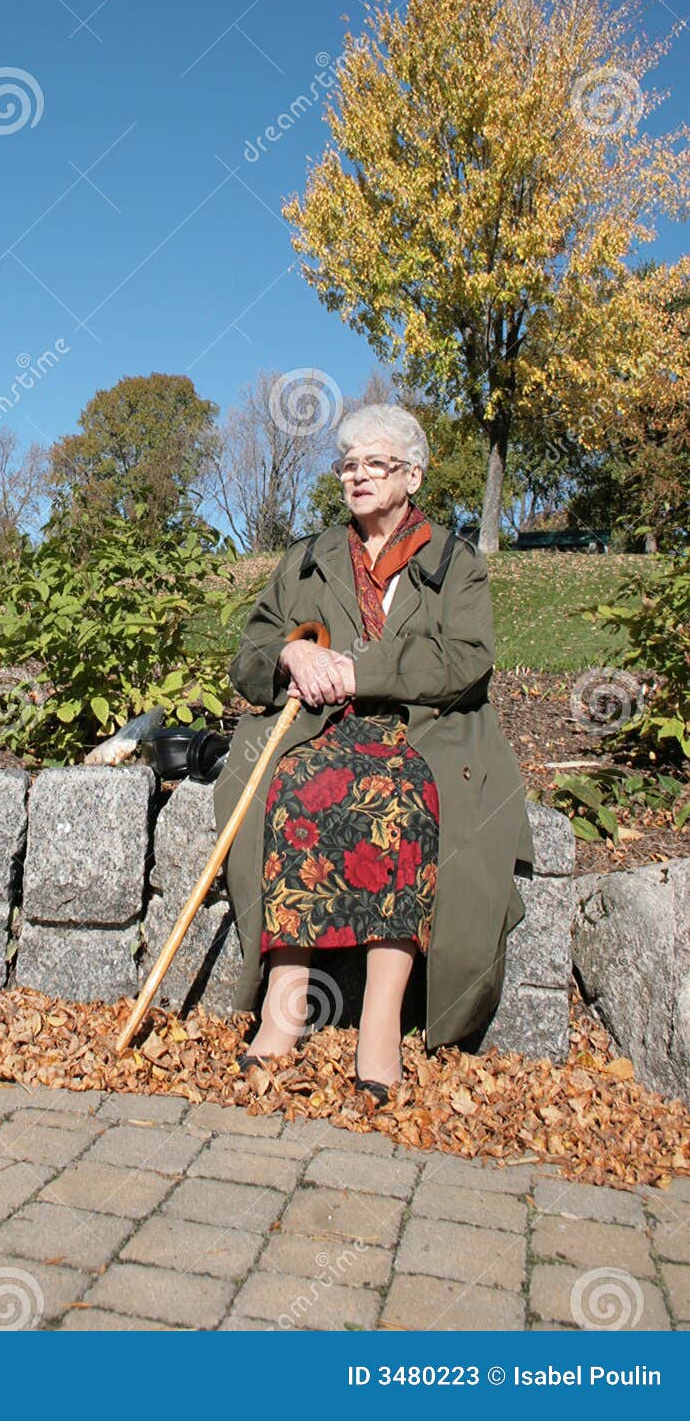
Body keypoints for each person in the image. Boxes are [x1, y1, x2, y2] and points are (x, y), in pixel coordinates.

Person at [214, 403, 535, 1101]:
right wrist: (288, 655)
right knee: (292, 785)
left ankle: (380, 1023)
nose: (356, 475)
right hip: (319, 727)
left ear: (411, 475)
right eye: (347, 463)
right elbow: (246, 659)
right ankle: (284, 1005)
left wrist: (365, 672)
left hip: (422, 732)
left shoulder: (455, 562)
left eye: (374, 463)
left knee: (400, 798)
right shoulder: (305, 559)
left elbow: (466, 660)